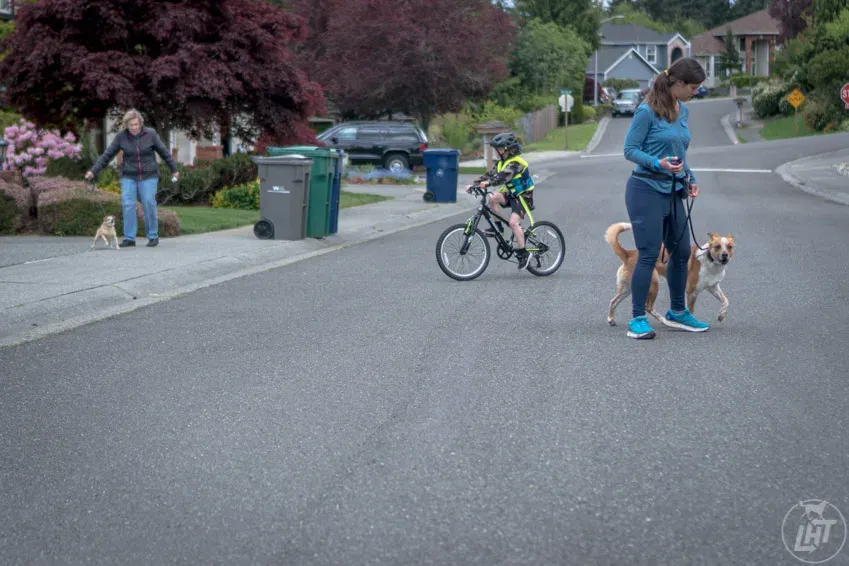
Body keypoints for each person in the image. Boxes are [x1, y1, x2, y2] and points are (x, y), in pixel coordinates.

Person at [621, 57, 709, 339]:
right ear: (678, 83)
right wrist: (656, 163)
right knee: (648, 254)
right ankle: (637, 319)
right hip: (645, 189)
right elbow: (630, 149)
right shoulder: (646, 111)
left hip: (673, 190)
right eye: (693, 87)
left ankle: (677, 311)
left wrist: (690, 178)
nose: (695, 92)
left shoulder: (682, 110)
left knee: (681, 252)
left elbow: (680, 154)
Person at [86, 109, 180, 248]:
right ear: (126, 125)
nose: (134, 127)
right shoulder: (121, 137)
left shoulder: (150, 134)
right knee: (128, 204)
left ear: (140, 123)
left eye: (136, 124)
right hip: (129, 176)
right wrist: (93, 171)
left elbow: (164, 152)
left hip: (149, 175)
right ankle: (130, 238)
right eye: (131, 125)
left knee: (148, 202)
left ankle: (153, 236)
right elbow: (107, 155)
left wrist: (174, 170)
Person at [466, 132, 536, 271]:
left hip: (524, 196)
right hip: (511, 194)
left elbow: (503, 176)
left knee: (513, 223)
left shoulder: (516, 163)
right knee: (492, 198)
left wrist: (489, 183)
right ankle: (497, 227)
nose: (496, 152)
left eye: (498, 148)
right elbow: (490, 175)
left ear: (507, 149)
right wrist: (474, 184)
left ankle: (524, 254)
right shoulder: (501, 163)